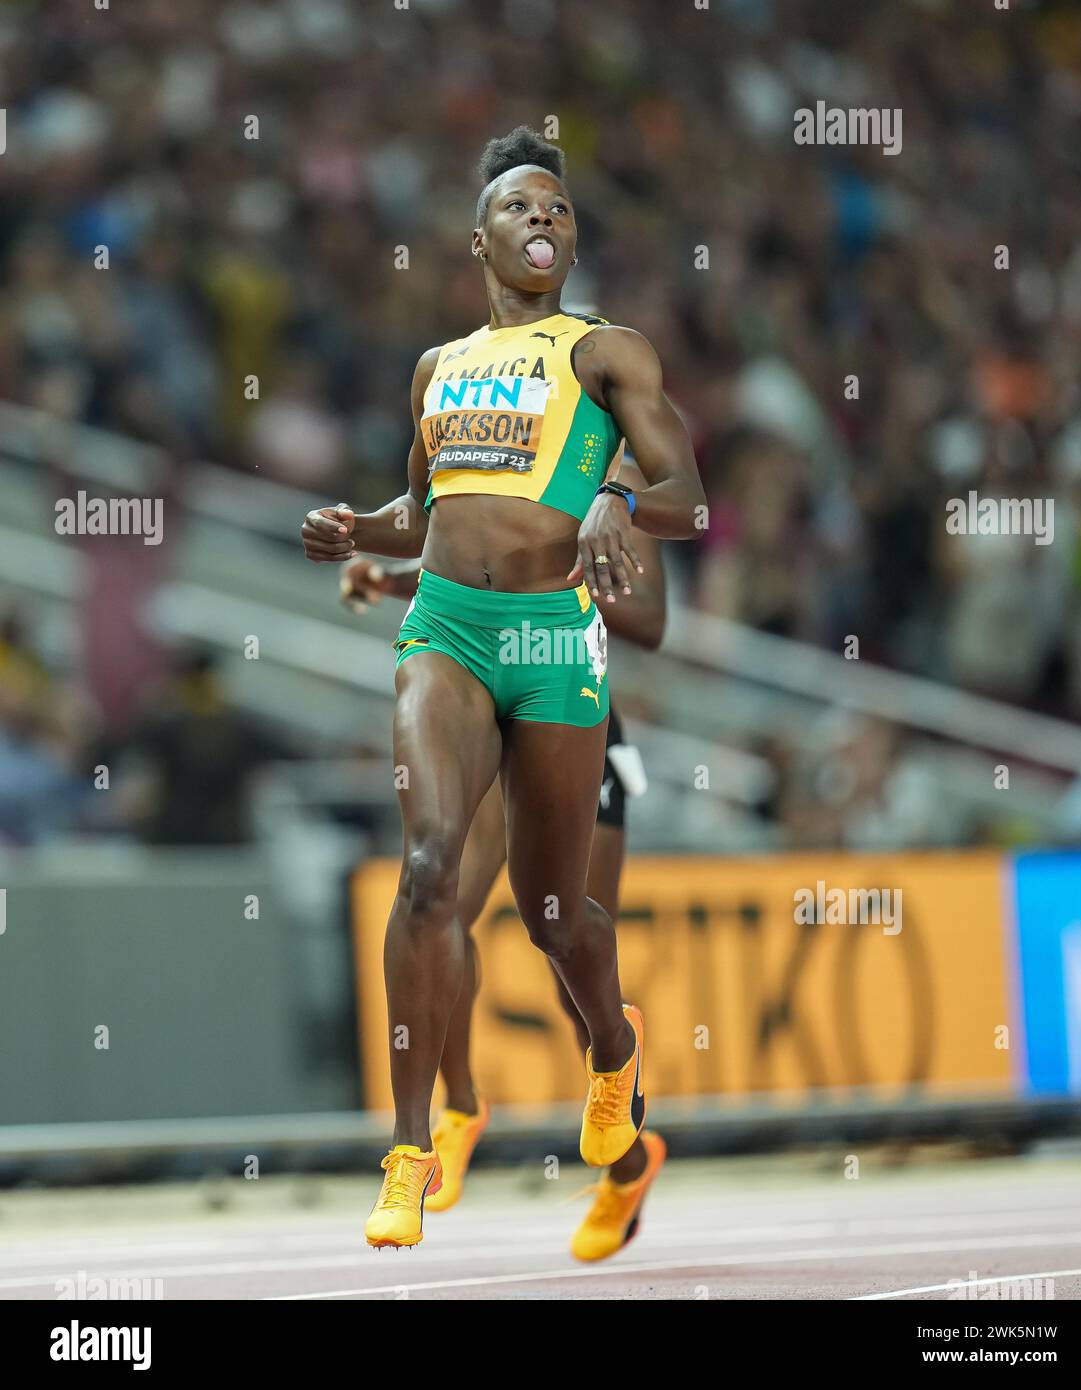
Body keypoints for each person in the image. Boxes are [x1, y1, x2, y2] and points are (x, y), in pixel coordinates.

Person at [301, 126, 705, 1249]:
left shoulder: (606, 352)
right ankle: (411, 1147)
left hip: (554, 647)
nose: (545, 222)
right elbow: (421, 517)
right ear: (476, 235)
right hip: (449, 632)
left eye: (562, 211)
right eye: (523, 209)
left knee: (553, 916)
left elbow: (688, 490)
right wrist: (357, 536)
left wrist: (620, 498)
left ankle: (613, 1060)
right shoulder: (438, 367)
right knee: (428, 875)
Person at [341, 454, 668, 1261]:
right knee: (437, 894)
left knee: (562, 950)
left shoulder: (612, 483)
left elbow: (651, 621)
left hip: (567, 707)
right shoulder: (493, 457)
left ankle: (627, 1161)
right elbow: (456, 557)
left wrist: (580, 557)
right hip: (484, 696)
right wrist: (391, 578)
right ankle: (456, 1110)